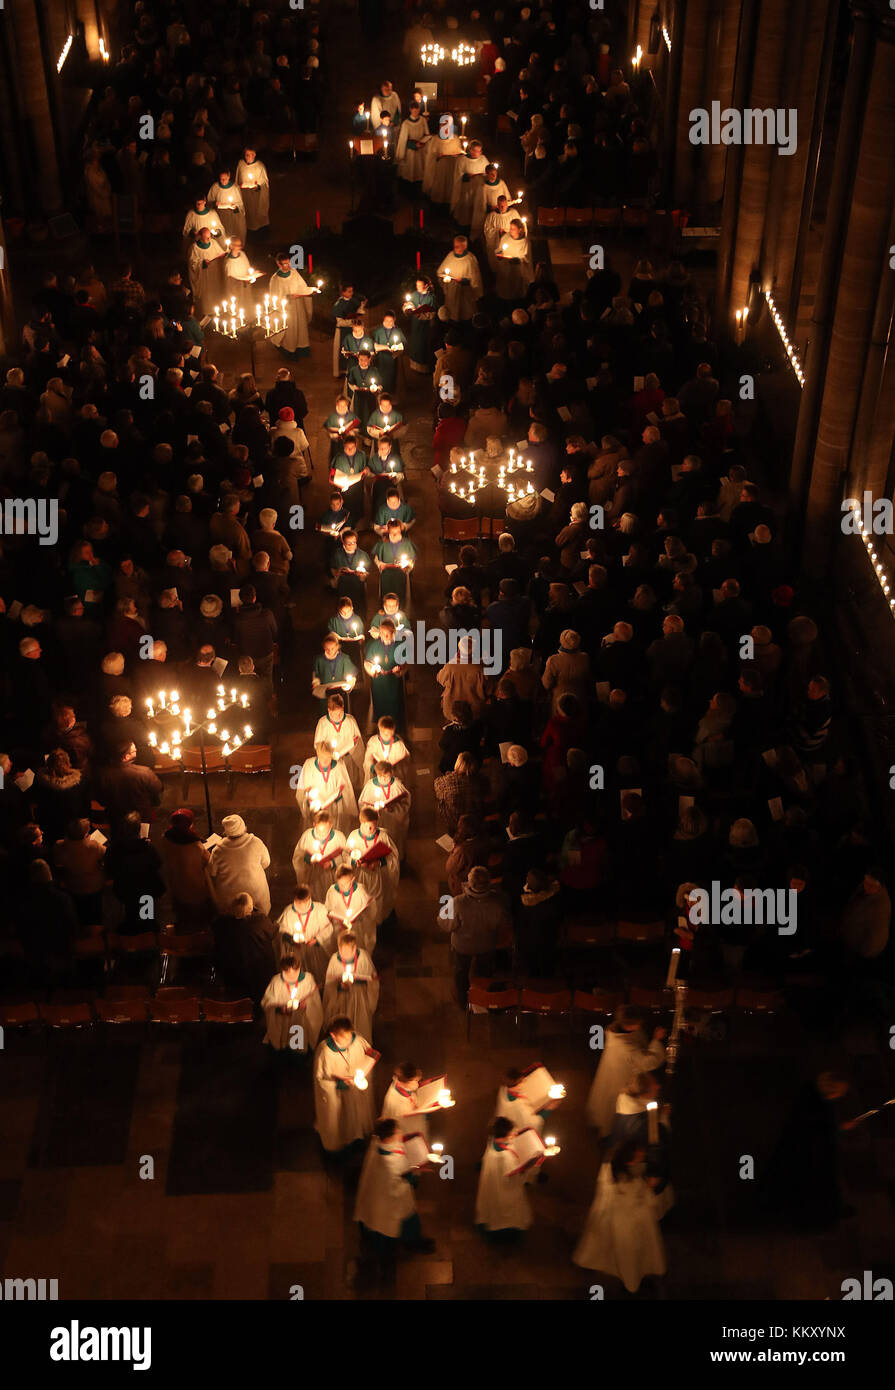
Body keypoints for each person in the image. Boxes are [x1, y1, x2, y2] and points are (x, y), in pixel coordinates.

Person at [763, 1070, 856, 1230]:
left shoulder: (814, 1097)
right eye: (839, 1092)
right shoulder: (813, 1102)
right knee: (811, 1183)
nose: (839, 1096)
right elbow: (813, 1128)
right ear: (831, 1087)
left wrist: (837, 1128)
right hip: (806, 1152)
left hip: (810, 1150)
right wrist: (836, 1129)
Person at [572, 1139, 668, 1292]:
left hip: (638, 1218)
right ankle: (630, 1282)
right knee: (626, 1252)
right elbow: (614, 1195)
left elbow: (643, 1195)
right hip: (623, 1219)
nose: (642, 1155)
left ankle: (634, 1279)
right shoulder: (612, 1170)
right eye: (638, 1153)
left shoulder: (639, 1169)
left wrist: (648, 1188)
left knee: (636, 1252)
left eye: (642, 1153)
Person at [354, 1117, 434, 1253]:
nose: (401, 1133)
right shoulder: (394, 1162)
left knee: (380, 1222)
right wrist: (421, 1167)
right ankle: (412, 1243)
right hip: (395, 1198)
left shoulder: (377, 1144)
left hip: (379, 1194)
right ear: (388, 1138)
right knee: (405, 1221)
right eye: (398, 1132)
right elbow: (409, 1177)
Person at [586, 1006, 667, 1135]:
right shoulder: (625, 1047)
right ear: (631, 1026)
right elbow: (648, 1062)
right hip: (622, 1077)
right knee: (618, 1106)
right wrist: (656, 1040)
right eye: (639, 1024)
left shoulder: (615, 1031)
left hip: (613, 1071)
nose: (641, 1026)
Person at [442, 865, 509, 1005]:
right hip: (487, 945)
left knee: (461, 971)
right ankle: (482, 1000)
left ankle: (462, 1000)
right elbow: (503, 924)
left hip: (463, 946)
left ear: (470, 883)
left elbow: (445, 924)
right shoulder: (497, 902)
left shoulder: (458, 902)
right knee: (484, 973)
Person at [313, 1015, 377, 1154]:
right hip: (337, 1093)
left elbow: (371, 1053)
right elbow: (320, 1079)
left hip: (354, 1090)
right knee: (341, 1120)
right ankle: (340, 1145)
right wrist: (338, 1084)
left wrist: (363, 1072)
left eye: (350, 1036)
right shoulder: (325, 1051)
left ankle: (357, 1138)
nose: (349, 1041)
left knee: (356, 1116)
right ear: (333, 1035)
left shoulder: (357, 1040)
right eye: (345, 1038)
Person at [475, 1116, 537, 1239]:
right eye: (511, 1133)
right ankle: (507, 1232)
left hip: (491, 1186)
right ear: (504, 1135)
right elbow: (514, 1178)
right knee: (506, 1210)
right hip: (505, 1190)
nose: (513, 1135)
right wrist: (528, 1167)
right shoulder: (506, 1157)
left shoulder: (492, 1142)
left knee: (492, 1206)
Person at [210, 891, 278, 1002]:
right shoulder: (260, 921)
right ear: (251, 909)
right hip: (259, 978)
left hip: (232, 979)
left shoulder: (221, 925)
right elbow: (273, 931)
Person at [207, 814, 272, 916]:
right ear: (243, 827)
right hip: (257, 901)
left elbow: (212, 872)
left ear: (226, 830)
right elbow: (266, 862)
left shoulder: (218, 850)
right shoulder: (256, 842)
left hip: (229, 905)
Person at [345, 808, 399, 924]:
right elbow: (345, 857)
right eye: (368, 827)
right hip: (360, 876)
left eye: (374, 826)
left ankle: (378, 926)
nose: (371, 829)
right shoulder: (354, 836)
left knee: (377, 902)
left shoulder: (383, 836)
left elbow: (393, 858)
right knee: (361, 902)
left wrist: (379, 863)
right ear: (361, 823)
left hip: (377, 876)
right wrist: (355, 862)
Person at [261, 953, 323, 1054]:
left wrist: (306, 1006)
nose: (292, 977)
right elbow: (267, 1002)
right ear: (282, 970)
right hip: (283, 1020)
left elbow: (315, 1002)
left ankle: (298, 1056)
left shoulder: (307, 979)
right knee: (283, 1049)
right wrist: (279, 1009)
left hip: (300, 1020)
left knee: (297, 1046)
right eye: (288, 973)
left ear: (299, 968)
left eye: (295, 973)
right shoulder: (276, 981)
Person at [323, 928, 379, 1039]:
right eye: (343, 952)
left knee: (360, 1023)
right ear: (339, 948)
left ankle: (360, 1043)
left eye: (349, 952)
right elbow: (329, 984)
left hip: (359, 998)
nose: (346, 955)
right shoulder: (334, 960)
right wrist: (339, 986)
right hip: (341, 999)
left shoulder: (363, 957)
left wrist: (371, 980)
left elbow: (372, 979)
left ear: (355, 949)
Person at [275, 884, 335, 985]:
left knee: (318, 977)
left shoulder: (319, 909)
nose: (302, 904)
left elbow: (328, 928)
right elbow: (281, 931)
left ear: (309, 898)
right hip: (297, 951)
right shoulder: (289, 912)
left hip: (315, 951)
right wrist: (291, 939)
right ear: (295, 899)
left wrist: (317, 940)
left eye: (305, 901)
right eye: (299, 902)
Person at [295, 740, 358, 836]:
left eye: (328, 758)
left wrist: (347, 806)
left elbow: (346, 788)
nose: (325, 761)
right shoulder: (309, 764)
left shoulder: (339, 765)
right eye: (322, 757)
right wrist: (308, 799)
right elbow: (302, 788)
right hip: (316, 808)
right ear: (317, 754)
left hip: (334, 807)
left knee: (334, 831)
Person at [358, 758, 411, 859]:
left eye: (386, 776)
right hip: (377, 821)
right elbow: (362, 804)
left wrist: (394, 808)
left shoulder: (397, 785)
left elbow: (406, 804)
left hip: (393, 822)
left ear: (391, 772)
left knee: (394, 842)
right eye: (380, 776)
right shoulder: (370, 785)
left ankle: (396, 861)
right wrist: (372, 809)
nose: (383, 779)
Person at [269, 250, 317, 358]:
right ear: (279, 264)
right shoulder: (275, 279)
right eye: (285, 264)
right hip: (286, 309)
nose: (288, 266)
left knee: (300, 328)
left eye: (289, 262)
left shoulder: (294, 272)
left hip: (298, 307)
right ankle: (290, 351)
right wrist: (287, 297)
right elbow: (274, 297)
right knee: (290, 330)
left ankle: (302, 348)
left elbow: (302, 287)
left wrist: (310, 291)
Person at [314, 692, 365, 791]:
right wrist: (328, 754)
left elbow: (357, 740)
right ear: (329, 710)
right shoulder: (323, 723)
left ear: (343, 708)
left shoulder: (350, 720)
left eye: (340, 713)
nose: (338, 716)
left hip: (349, 759)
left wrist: (344, 750)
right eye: (334, 713)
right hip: (331, 761)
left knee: (351, 784)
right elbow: (318, 744)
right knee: (336, 786)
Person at [292, 809, 347, 901]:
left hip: (332, 875)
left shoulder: (339, 837)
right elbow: (298, 857)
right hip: (313, 875)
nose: (322, 833)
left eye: (325, 829)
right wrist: (310, 860)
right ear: (314, 824)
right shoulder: (307, 835)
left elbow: (346, 857)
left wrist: (332, 863)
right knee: (315, 898)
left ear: (331, 825)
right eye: (319, 829)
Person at [325, 865, 377, 955]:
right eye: (340, 884)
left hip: (357, 927)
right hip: (339, 928)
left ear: (352, 880)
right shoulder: (332, 891)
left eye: (346, 884)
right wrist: (334, 918)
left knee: (357, 948)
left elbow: (370, 909)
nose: (342, 887)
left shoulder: (360, 891)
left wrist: (361, 916)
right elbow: (328, 909)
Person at [436, 236, 483, 323]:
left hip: (465, 293)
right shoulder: (450, 256)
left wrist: (464, 281)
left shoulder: (470, 259)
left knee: (466, 316)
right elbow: (440, 272)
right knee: (452, 315)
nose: (455, 248)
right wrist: (445, 279)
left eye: (458, 246)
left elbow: (476, 279)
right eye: (454, 246)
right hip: (452, 292)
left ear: (464, 247)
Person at [236, 148, 270, 232]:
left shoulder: (260, 166)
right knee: (248, 212)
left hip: (256, 196)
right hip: (245, 194)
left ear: (254, 155)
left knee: (256, 212)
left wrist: (258, 186)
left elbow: (264, 182)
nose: (246, 157)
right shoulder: (241, 164)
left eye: (249, 155)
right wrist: (239, 186)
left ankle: (260, 230)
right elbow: (237, 178)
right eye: (245, 154)